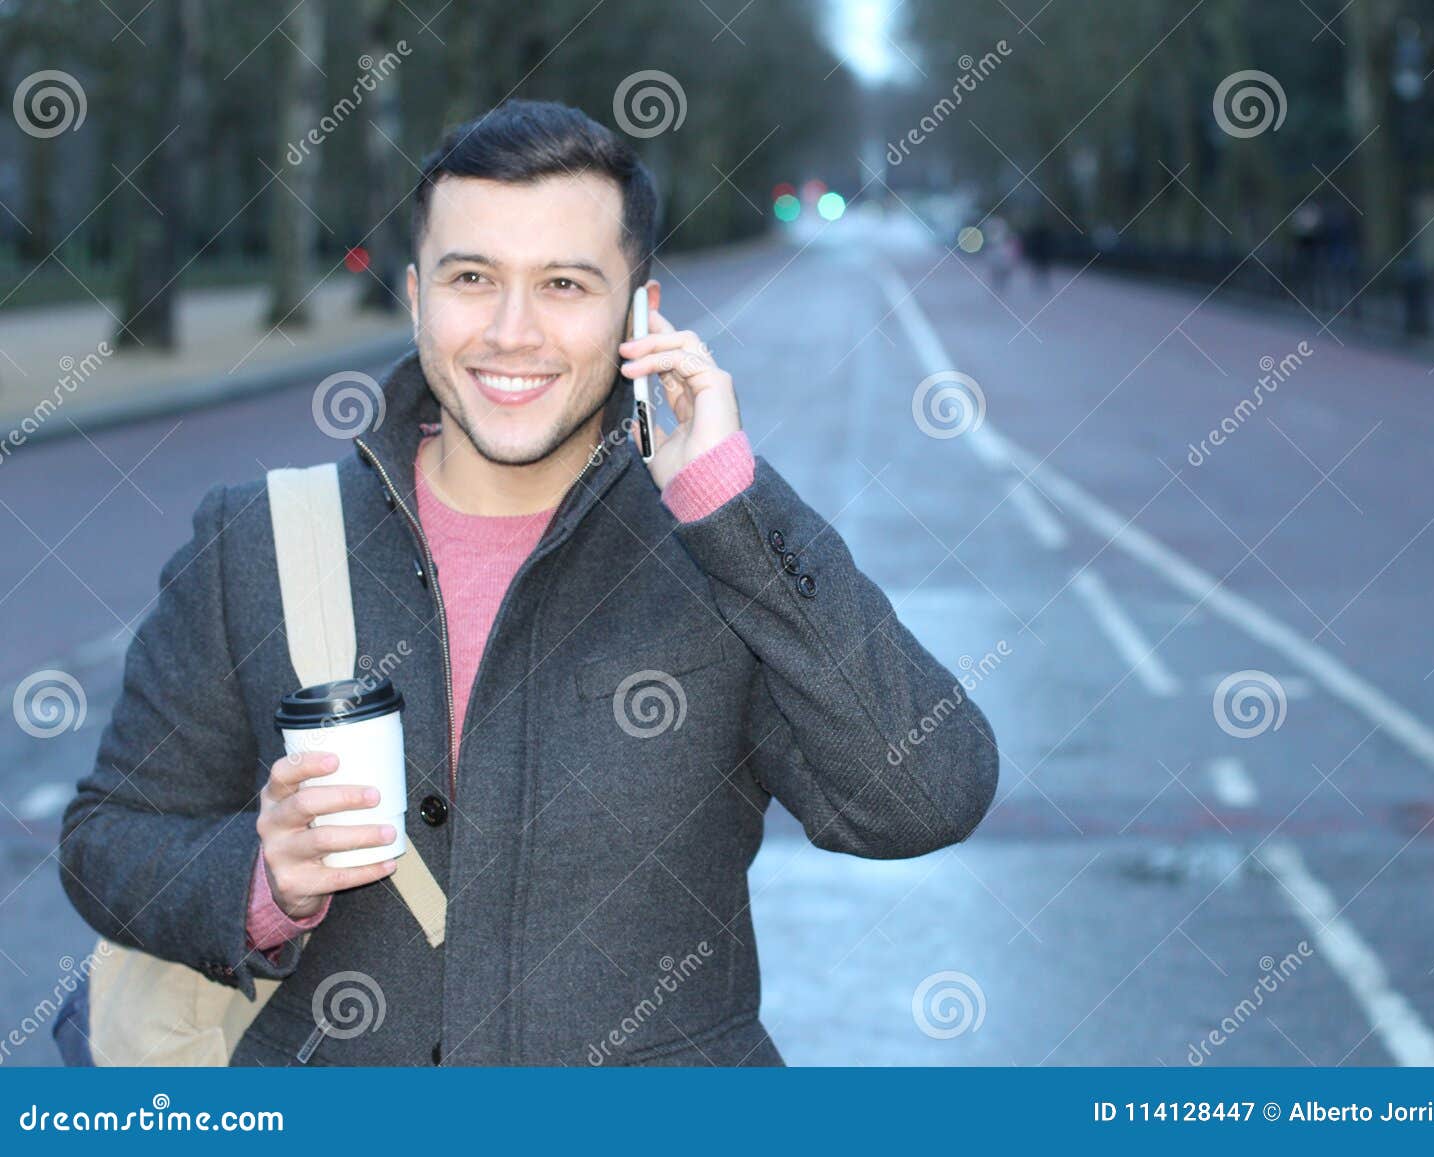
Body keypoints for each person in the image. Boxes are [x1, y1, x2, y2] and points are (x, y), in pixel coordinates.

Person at [56, 99, 1000, 1067]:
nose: (513, 332)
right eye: (473, 277)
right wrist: (261, 885)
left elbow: (927, 792)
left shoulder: (719, 554)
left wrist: (732, 500)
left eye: (563, 283)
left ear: (640, 314)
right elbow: (107, 838)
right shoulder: (254, 543)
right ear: (417, 296)